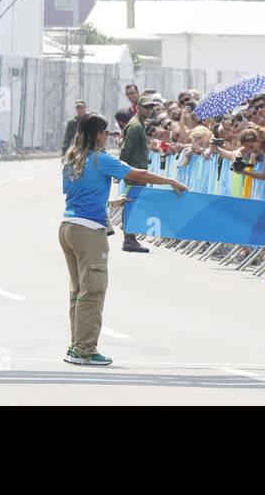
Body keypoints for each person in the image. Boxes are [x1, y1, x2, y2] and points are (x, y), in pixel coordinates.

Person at [60, 113, 188, 366]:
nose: (108, 136)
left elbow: (78, 195)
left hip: (68, 227)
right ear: (98, 134)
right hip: (88, 231)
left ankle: (77, 345)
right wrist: (170, 181)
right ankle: (86, 350)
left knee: (78, 292)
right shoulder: (101, 159)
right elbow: (138, 174)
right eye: (105, 132)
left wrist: (110, 202)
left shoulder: (71, 158)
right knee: (93, 291)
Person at [116, 96, 159, 252]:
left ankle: (130, 237)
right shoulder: (135, 126)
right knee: (132, 203)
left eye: (150, 108)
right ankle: (129, 239)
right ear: (138, 107)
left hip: (137, 171)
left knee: (133, 203)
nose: (149, 110)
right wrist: (119, 170)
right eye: (146, 107)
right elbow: (126, 149)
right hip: (134, 172)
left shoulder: (139, 124)